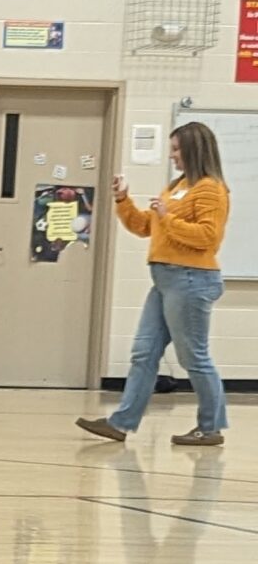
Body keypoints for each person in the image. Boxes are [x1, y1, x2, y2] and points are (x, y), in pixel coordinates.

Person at [78, 123, 231, 448]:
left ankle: (210, 427)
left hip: (191, 279)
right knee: (143, 352)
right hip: (164, 279)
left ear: (193, 149)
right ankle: (121, 423)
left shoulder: (210, 189)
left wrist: (168, 218)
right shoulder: (176, 187)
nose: (172, 155)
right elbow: (145, 226)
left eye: (177, 149)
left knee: (194, 358)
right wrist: (123, 199)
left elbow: (208, 237)